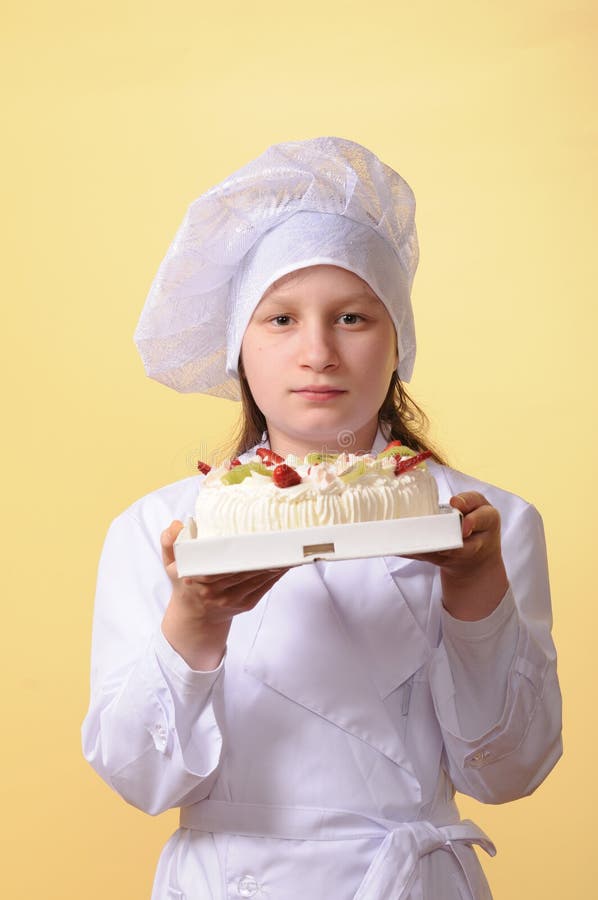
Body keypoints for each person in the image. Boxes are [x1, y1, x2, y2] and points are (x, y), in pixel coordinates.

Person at [82, 137, 562, 899]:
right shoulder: (164, 531)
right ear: (237, 345)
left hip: (413, 879)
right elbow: (139, 779)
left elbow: (511, 772)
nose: (318, 353)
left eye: (350, 317)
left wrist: (478, 601)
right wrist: (196, 624)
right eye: (279, 319)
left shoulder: (485, 522)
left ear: (397, 338)